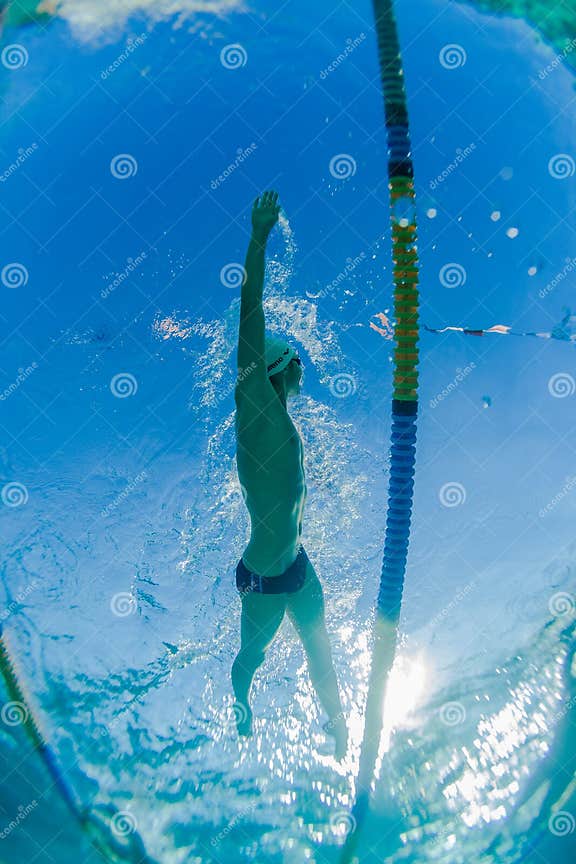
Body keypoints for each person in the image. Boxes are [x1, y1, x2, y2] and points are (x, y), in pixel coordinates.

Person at [231, 190, 348, 760]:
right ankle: (243, 704)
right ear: (279, 370)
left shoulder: (283, 422)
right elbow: (249, 310)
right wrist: (259, 235)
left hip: (298, 565)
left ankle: (338, 724)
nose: (304, 373)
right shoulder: (255, 408)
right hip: (262, 577)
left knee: (320, 650)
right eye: (297, 366)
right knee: (251, 658)